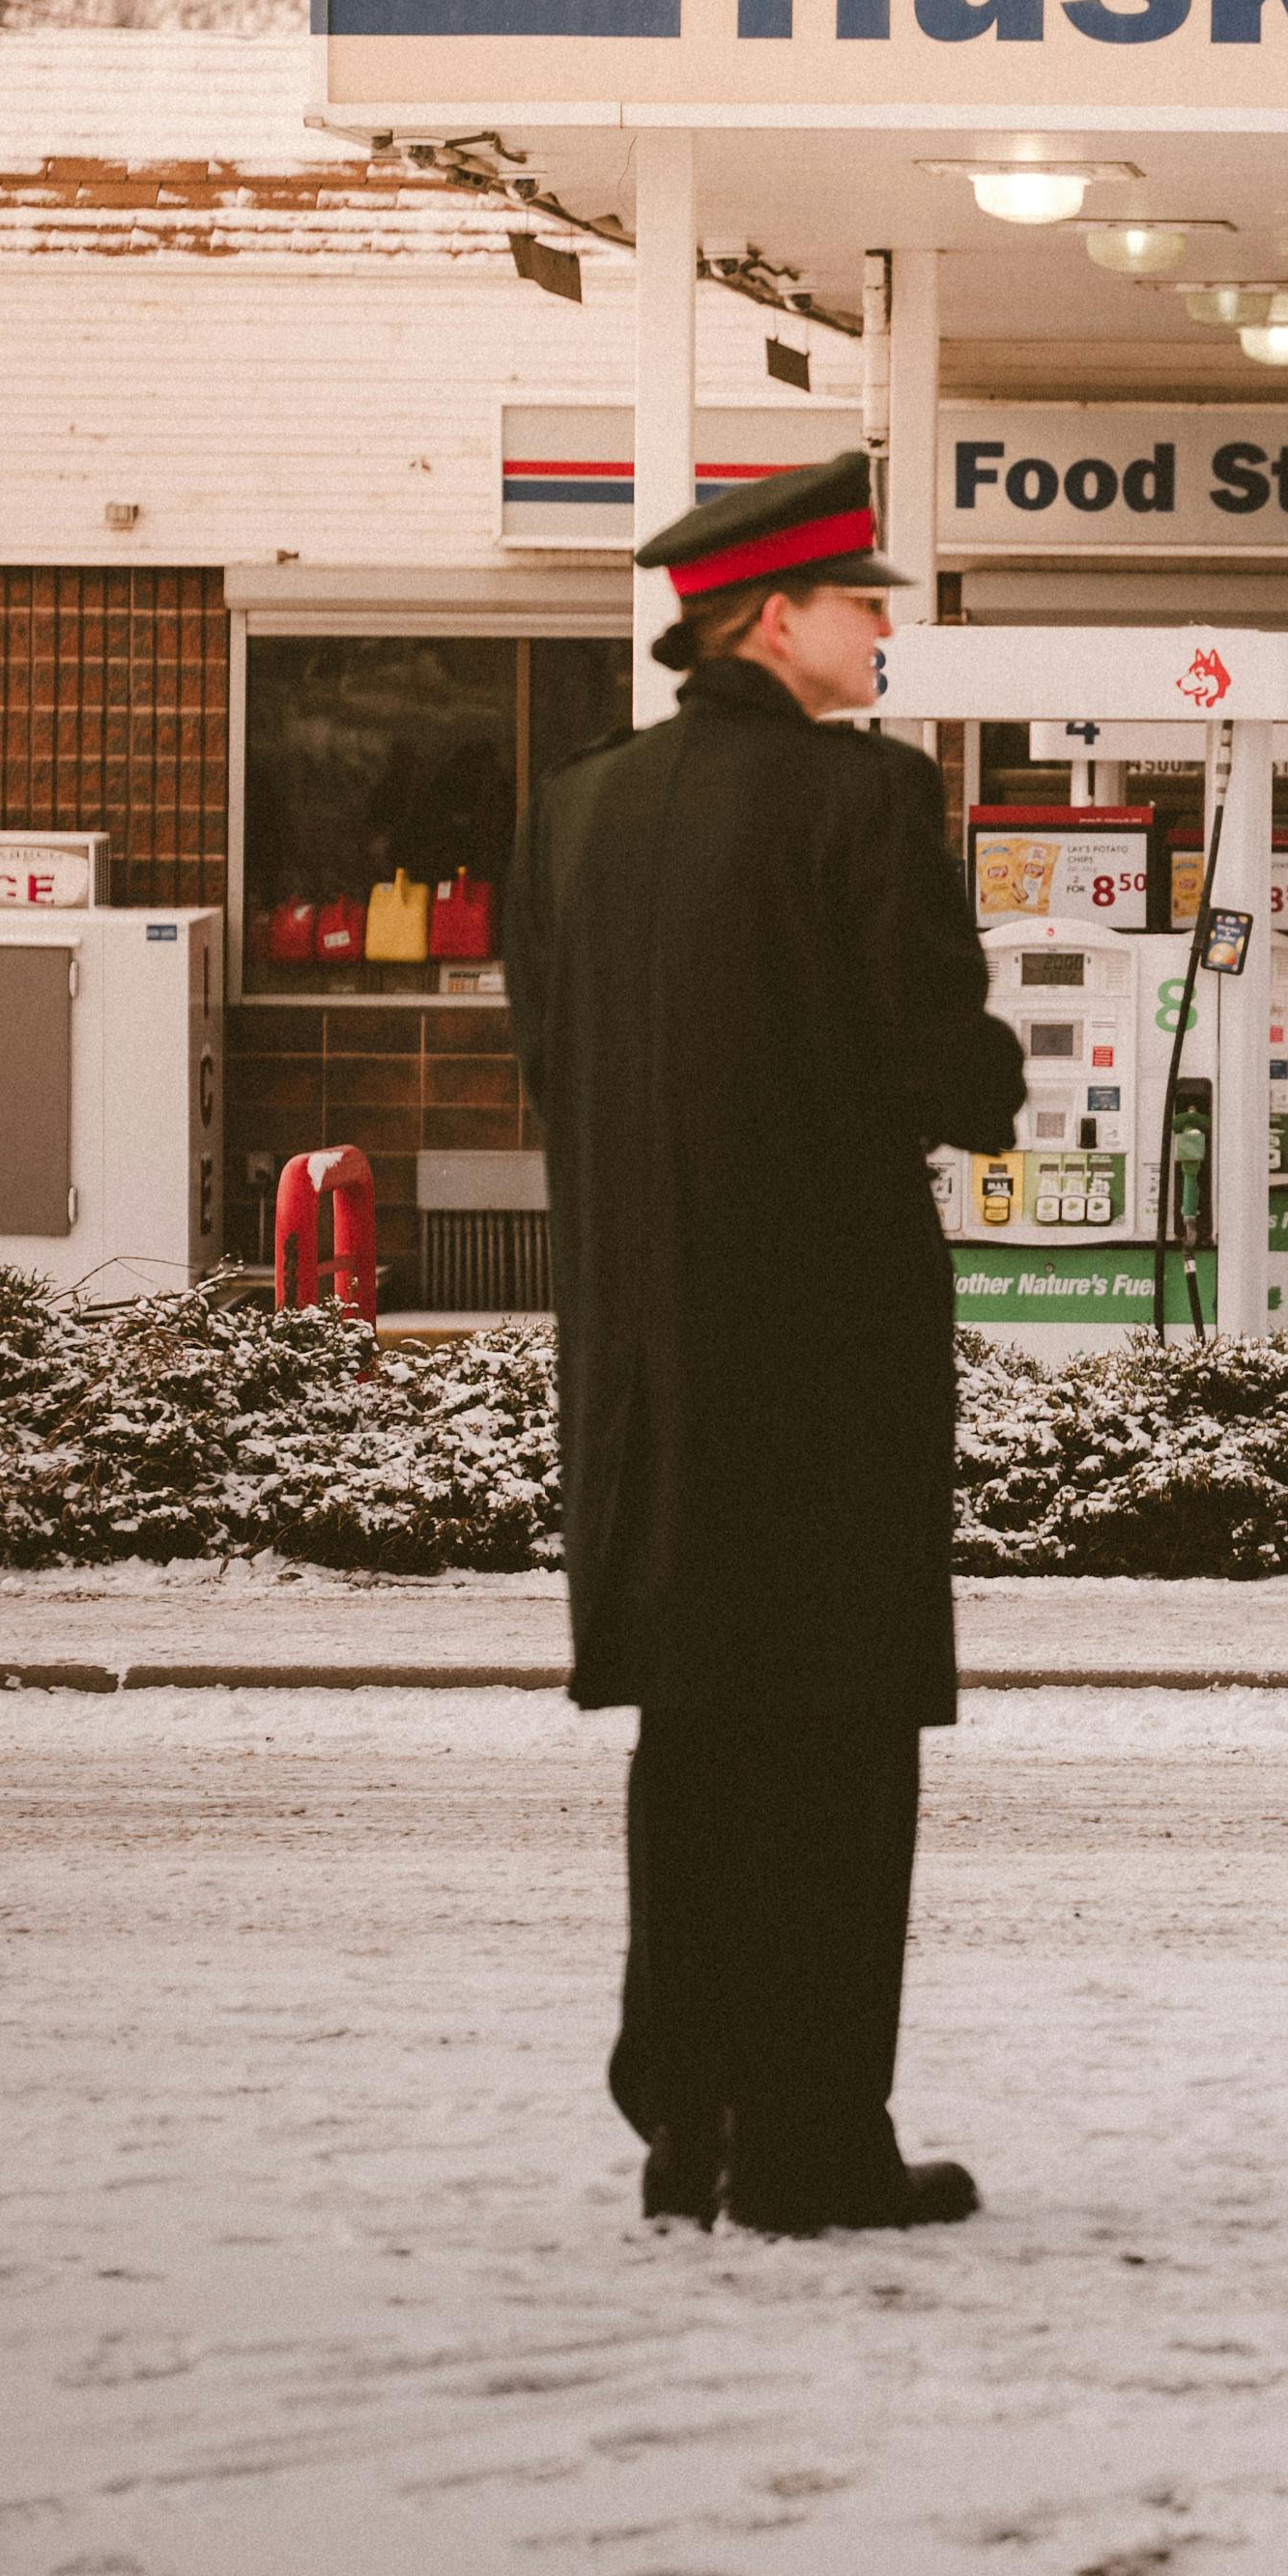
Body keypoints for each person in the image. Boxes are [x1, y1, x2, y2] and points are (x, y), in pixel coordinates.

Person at [508, 451, 1027, 2237]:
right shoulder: (865, 801)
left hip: (645, 1349)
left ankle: (687, 2120)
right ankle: (811, 2137)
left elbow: (548, 1055)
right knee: (836, 1734)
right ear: (772, 615)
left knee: (696, 1725)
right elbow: (938, 1061)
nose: (890, 624)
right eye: (863, 599)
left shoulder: (579, 805)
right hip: (824, 1336)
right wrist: (992, 1074)